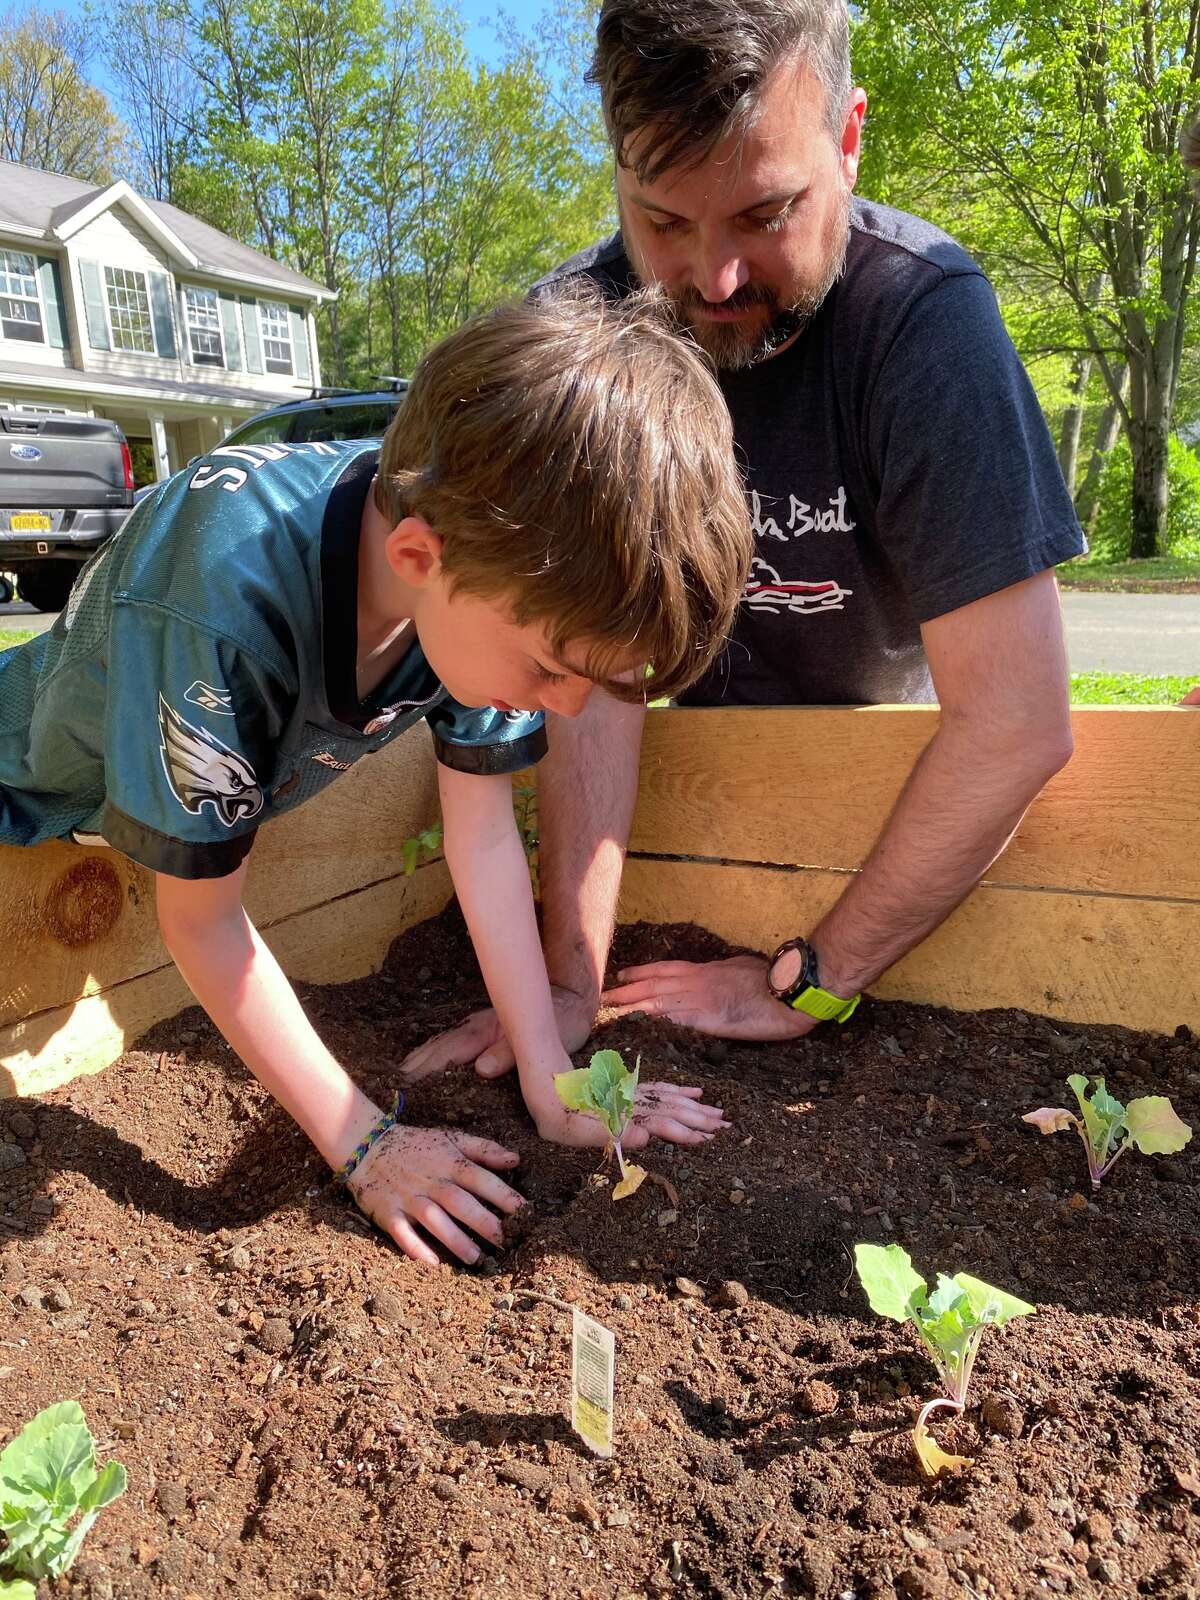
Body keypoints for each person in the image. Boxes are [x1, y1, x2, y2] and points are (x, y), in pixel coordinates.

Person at [401, 0, 1085, 1085]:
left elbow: (1012, 723)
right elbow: (592, 681)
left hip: (883, 792)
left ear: (850, 137)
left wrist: (812, 975)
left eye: (764, 213)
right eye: (664, 221)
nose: (713, 281)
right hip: (689, 778)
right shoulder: (581, 339)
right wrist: (572, 980)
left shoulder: (924, 323)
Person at [0, 283, 752, 1264]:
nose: (566, 709)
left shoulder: (481, 570)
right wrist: (365, 1142)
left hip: (132, 810)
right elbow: (202, 920)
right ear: (416, 555)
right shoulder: (224, 592)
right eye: (552, 671)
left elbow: (481, 838)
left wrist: (552, 1079)